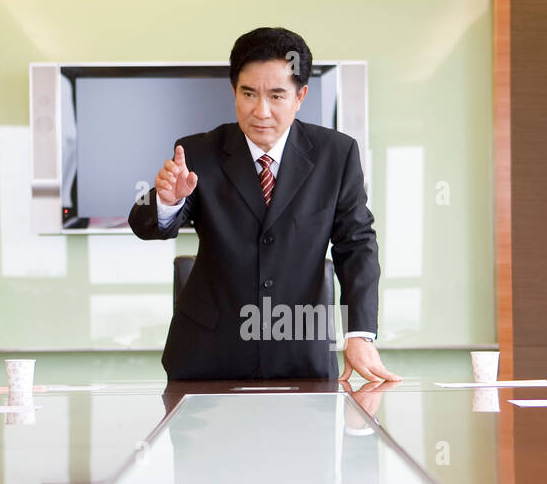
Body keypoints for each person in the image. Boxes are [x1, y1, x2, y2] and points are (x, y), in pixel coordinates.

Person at [129, 26, 400, 383]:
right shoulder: (198, 152)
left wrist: (359, 334)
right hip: (207, 356)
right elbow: (145, 225)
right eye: (248, 94)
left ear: (300, 95)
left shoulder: (336, 154)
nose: (261, 111)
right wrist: (166, 201)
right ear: (233, 91)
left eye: (276, 95)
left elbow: (357, 243)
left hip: (300, 349)